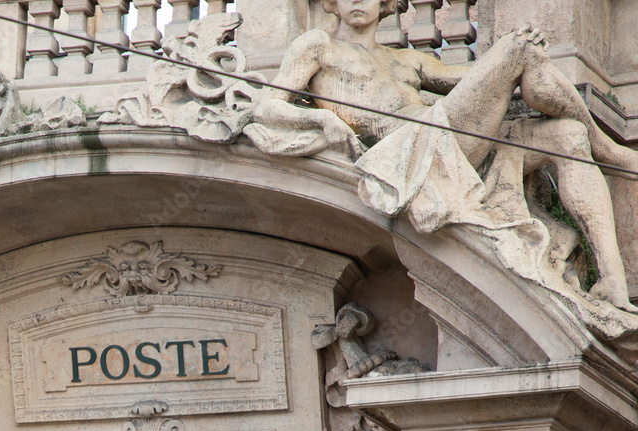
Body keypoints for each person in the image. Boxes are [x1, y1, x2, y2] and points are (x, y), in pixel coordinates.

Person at [252, 0, 638, 312]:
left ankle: (612, 280)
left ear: (386, 3)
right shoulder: (319, 45)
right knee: (517, 48)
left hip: (448, 139)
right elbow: (266, 107)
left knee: (567, 134)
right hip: (413, 151)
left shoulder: (405, 60)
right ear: (331, 3)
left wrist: (523, 52)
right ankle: (613, 153)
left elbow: (471, 81)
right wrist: (319, 117)